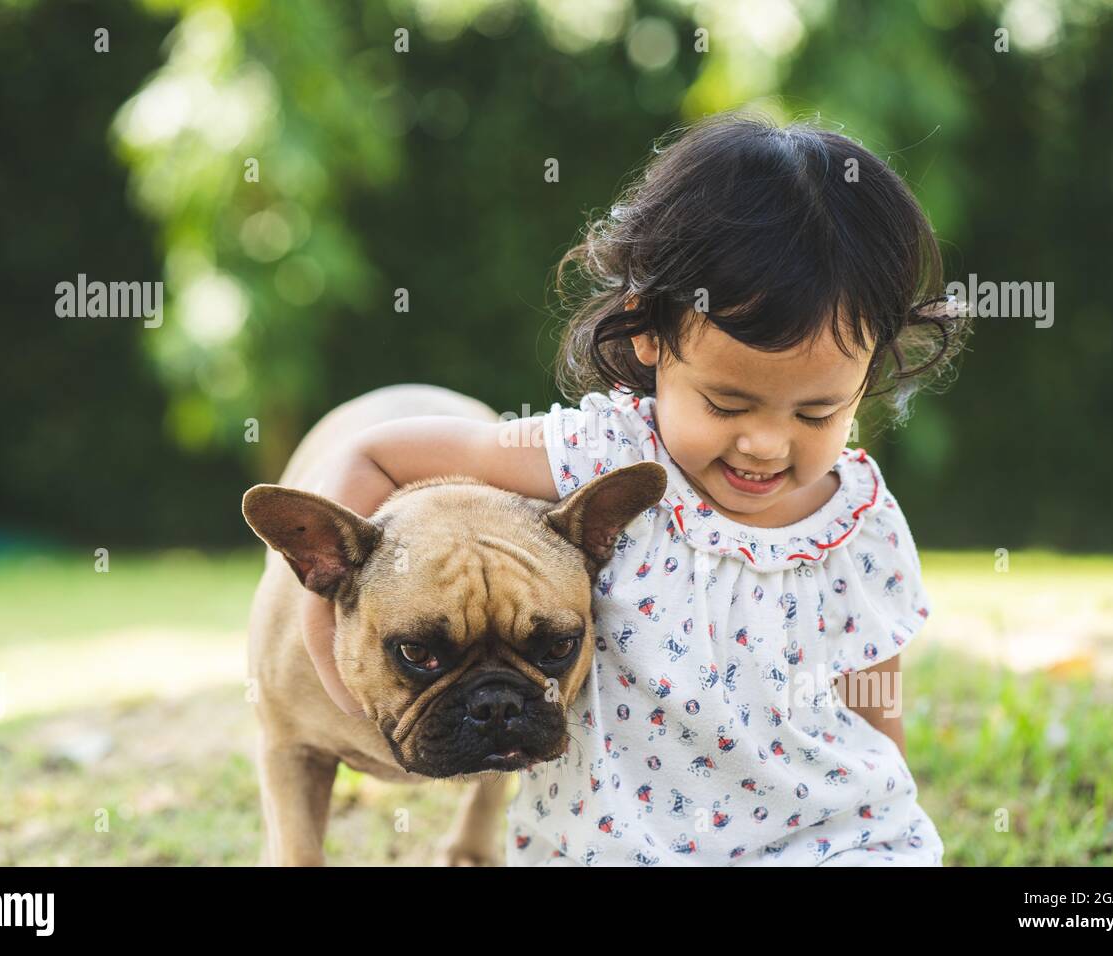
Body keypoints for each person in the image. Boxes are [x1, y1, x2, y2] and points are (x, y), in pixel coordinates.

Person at [302, 110, 970, 865]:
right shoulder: (601, 454)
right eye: (726, 403)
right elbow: (374, 453)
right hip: (619, 845)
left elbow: (873, 692)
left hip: (825, 836)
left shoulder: (861, 519)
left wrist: (885, 816)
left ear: (870, 369)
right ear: (648, 332)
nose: (765, 443)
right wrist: (328, 642)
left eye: (817, 412)